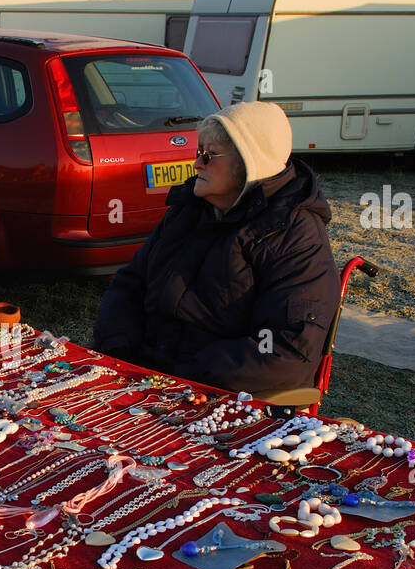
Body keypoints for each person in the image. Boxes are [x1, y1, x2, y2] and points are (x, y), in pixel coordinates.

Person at [92, 101, 340, 397]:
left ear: (249, 163)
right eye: (198, 152)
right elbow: (130, 284)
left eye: (208, 156)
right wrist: (119, 347)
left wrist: (184, 375)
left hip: (212, 391)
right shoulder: (191, 210)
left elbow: (285, 349)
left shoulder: (295, 237)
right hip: (148, 373)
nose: (197, 164)